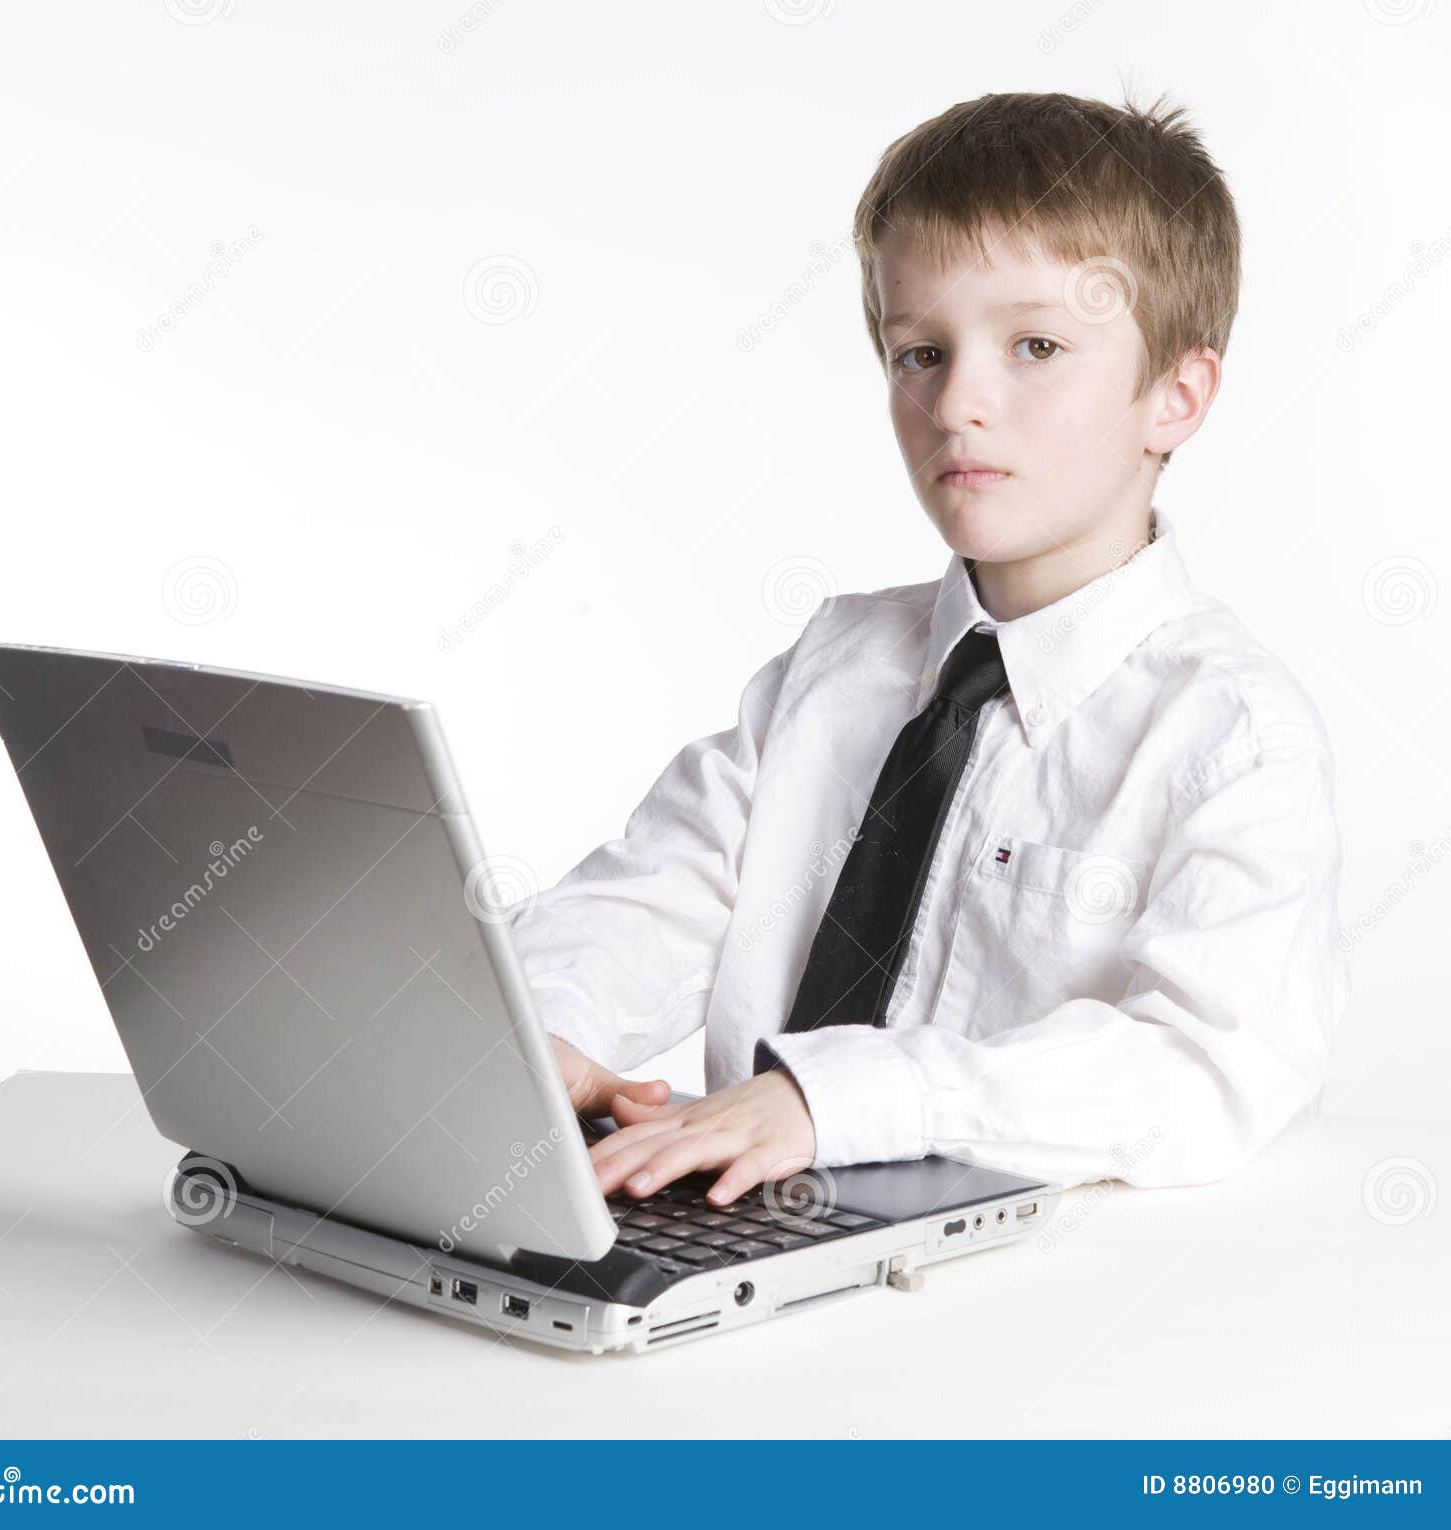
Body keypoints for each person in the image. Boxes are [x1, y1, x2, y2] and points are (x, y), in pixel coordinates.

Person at [509, 90, 1347, 1208]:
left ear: (1176, 396)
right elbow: (663, 890)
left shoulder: (1229, 734)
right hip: (748, 1240)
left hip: (1027, 1310)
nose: (960, 402)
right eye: (919, 353)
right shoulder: (841, 663)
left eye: (1035, 346)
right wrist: (542, 1030)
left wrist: (836, 1098)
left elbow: (1205, 1066)